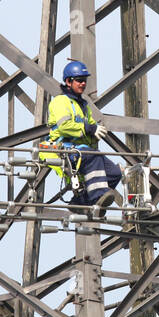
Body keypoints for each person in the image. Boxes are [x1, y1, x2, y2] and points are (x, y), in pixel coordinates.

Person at [39, 60, 122, 209]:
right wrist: (89, 129)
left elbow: (90, 125)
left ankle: (81, 202)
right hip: (63, 149)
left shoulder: (83, 106)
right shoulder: (60, 102)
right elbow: (64, 126)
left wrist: (95, 131)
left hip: (83, 150)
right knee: (93, 156)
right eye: (79, 80)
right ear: (68, 81)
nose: (83, 84)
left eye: (84, 81)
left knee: (114, 173)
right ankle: (97, 198)